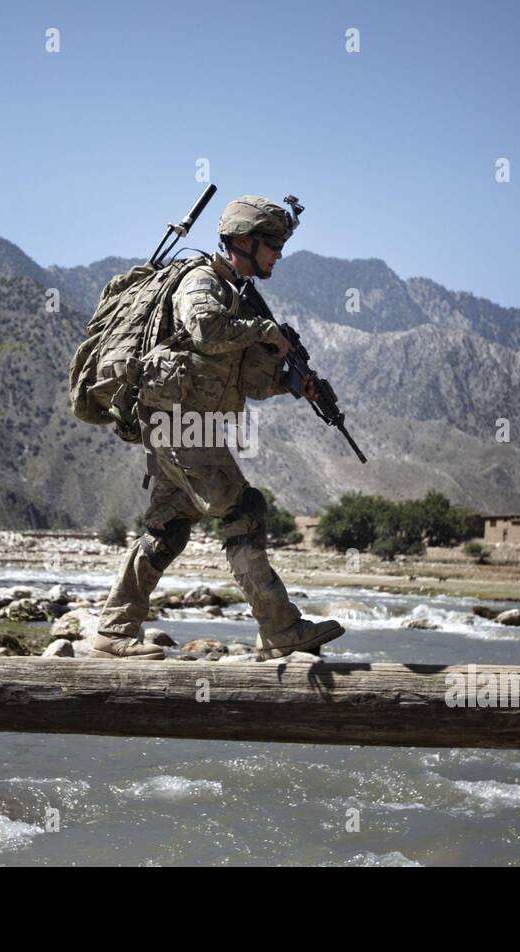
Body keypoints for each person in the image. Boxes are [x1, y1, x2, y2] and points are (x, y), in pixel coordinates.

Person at [92, 195, 346, 660]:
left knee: (168, 528)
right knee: (242, 509)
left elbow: (242, 378)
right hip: (181, 423)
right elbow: (205, 330)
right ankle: (280, 628)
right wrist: (264, 332)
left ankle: (113, 628)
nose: (278, 255)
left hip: (186, 425)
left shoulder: (236, 297)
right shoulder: (202, 281)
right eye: (272, 244)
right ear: (244, 242)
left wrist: (292, 383)